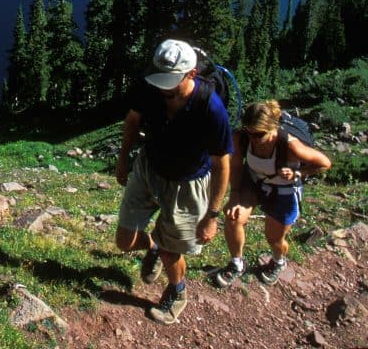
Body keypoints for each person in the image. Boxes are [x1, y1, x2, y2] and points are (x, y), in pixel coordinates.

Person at [115, 39, 231, 325]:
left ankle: (177, 292)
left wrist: (212, 215)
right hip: (148, 168)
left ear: (191, 74)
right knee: (124, 241)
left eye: (170, 82)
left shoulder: (210, 108)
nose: (163, 87)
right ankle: (153, 246)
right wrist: (123, 158)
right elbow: (132, 120)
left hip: (186, 182)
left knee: (172, 252)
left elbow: (222, 163)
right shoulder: (151, 87)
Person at [214, 99, 331, 288]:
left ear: (272, 128)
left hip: (283, 190)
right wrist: (234, 194)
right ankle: (236, 263)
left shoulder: (290, 145)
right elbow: (236, 166)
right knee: (234, 218)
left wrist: (298, 173)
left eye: (259, 134)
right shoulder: (241, 137)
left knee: (274, 239)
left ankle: (278, 261)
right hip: (253, 181)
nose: (253, 138)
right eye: (249, 132)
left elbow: (324, 163)